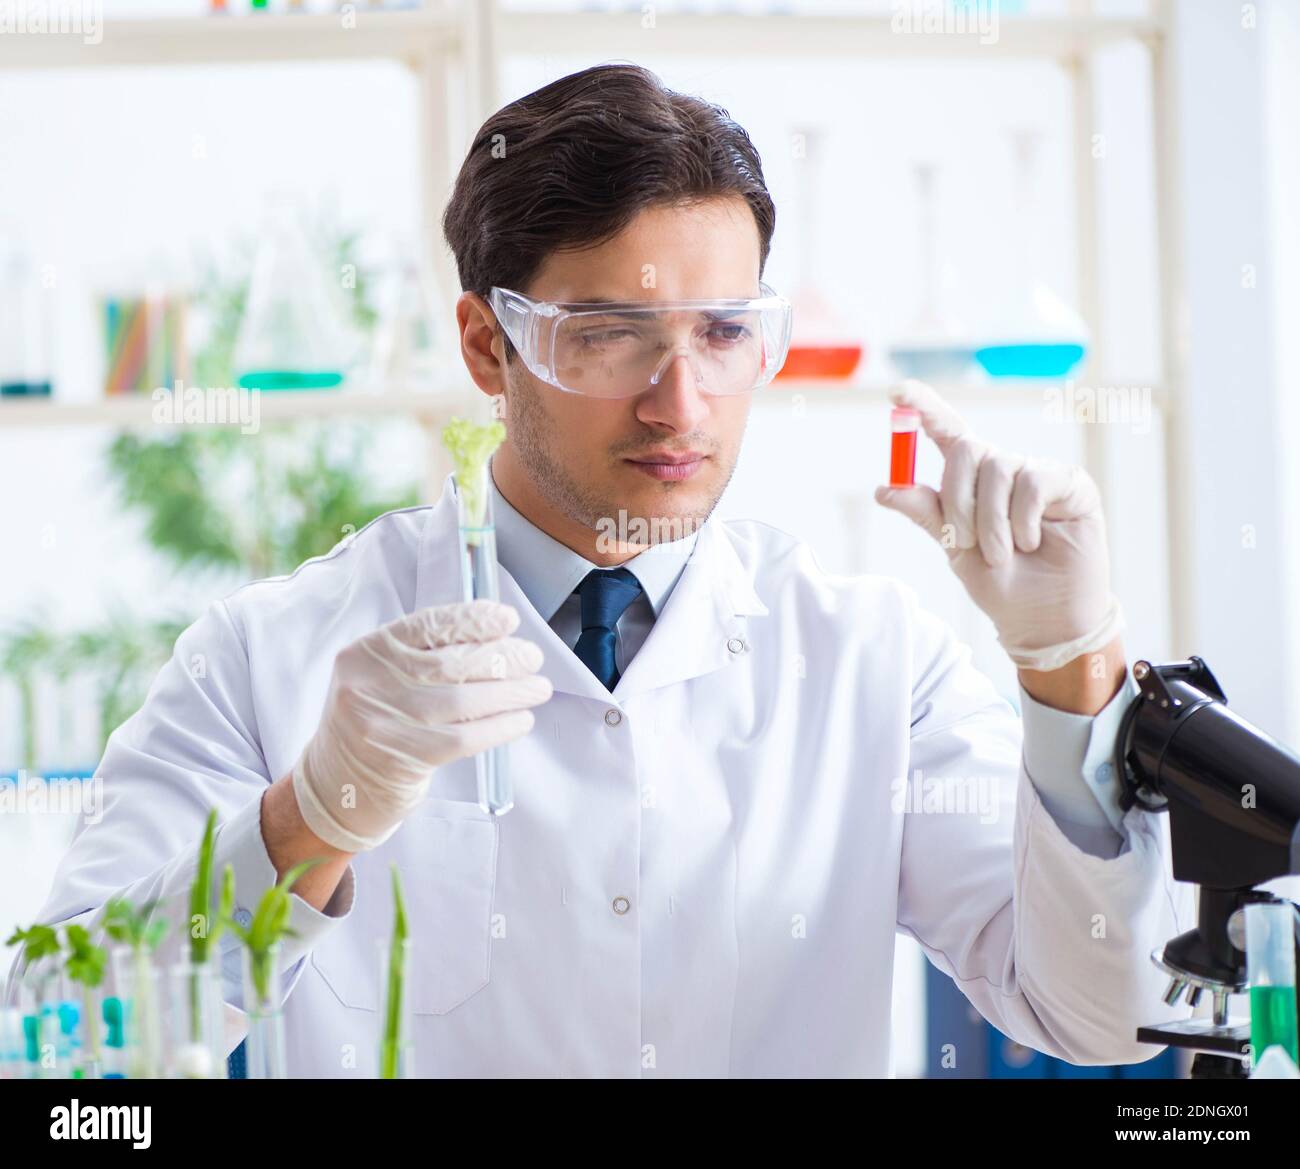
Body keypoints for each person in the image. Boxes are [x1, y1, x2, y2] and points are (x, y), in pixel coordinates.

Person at [8, 63, 1192, 1077]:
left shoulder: (874, 660)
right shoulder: (268, 655)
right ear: (488, 344)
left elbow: (1096, 1016)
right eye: (612, 334)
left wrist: (1070, 672)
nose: (681, 403)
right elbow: (59, 1035)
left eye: (724, 333)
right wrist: (304, 824)